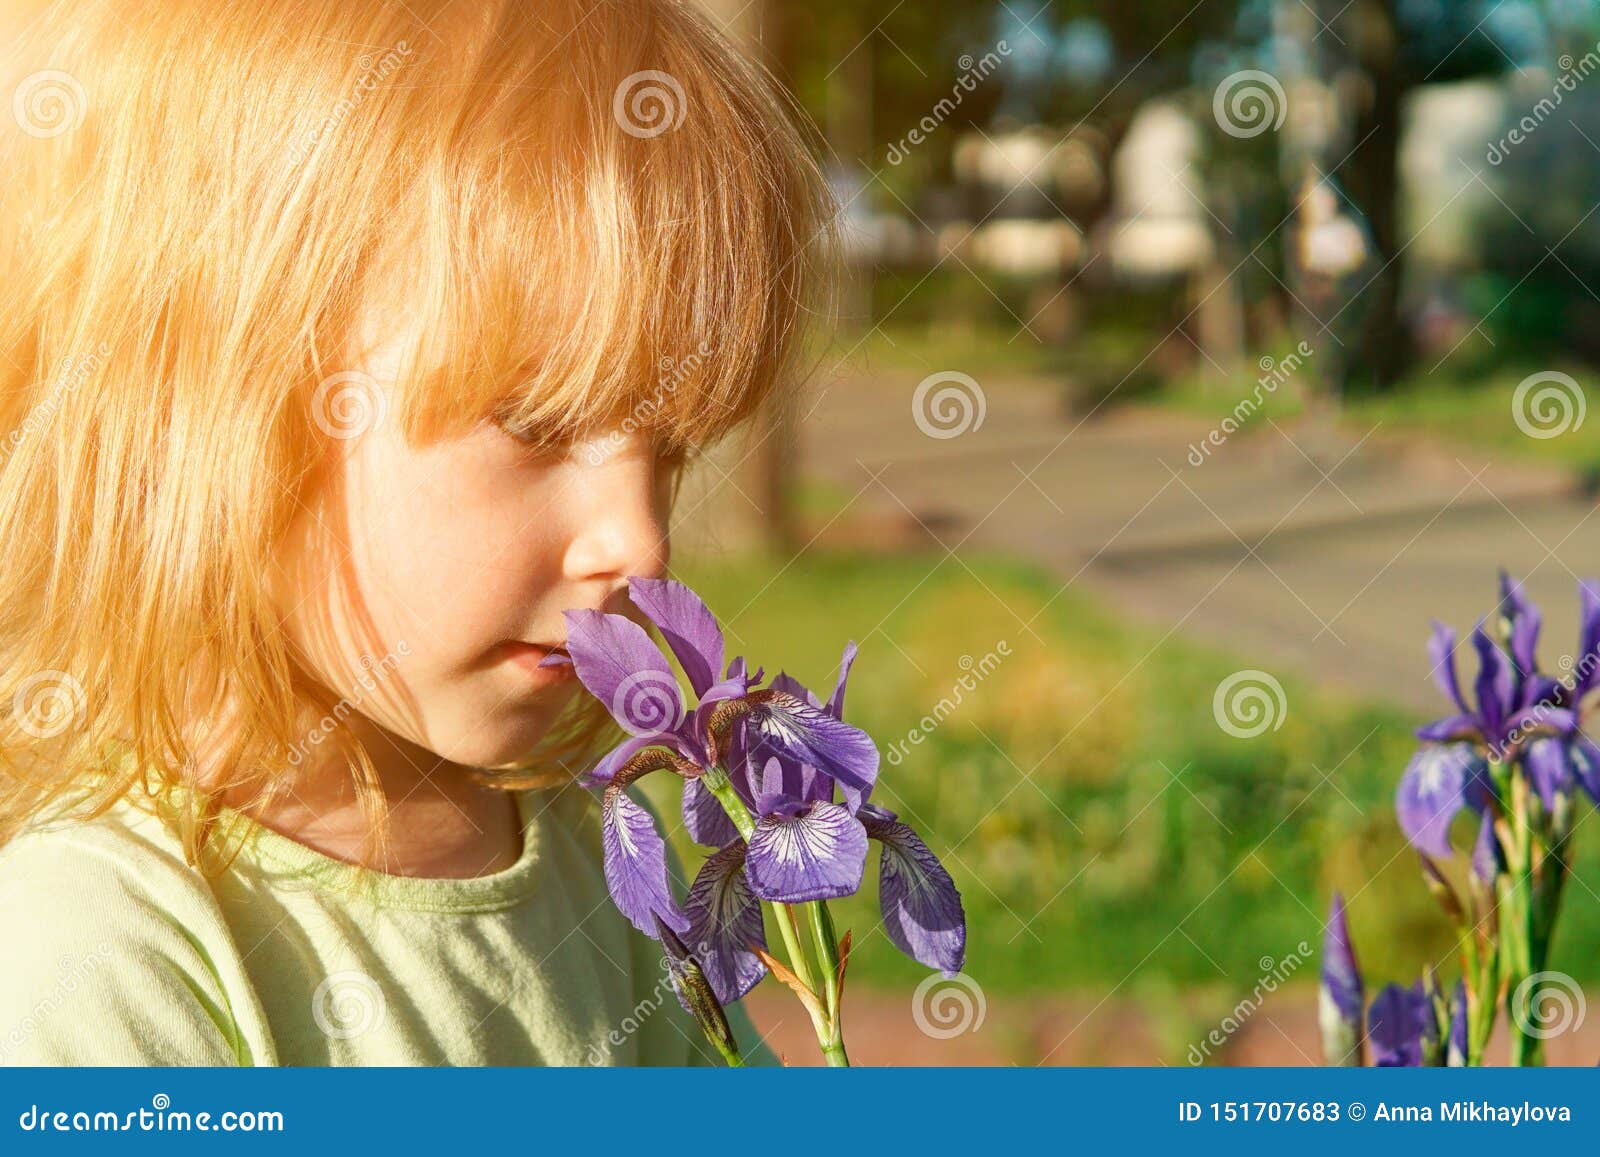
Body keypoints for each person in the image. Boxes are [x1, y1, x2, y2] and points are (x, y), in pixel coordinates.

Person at [0, 0, 833, 1065]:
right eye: (536, 423)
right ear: (217, 409)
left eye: (670, 453)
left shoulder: (600, 863)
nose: (640, 543)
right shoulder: (100, 955)